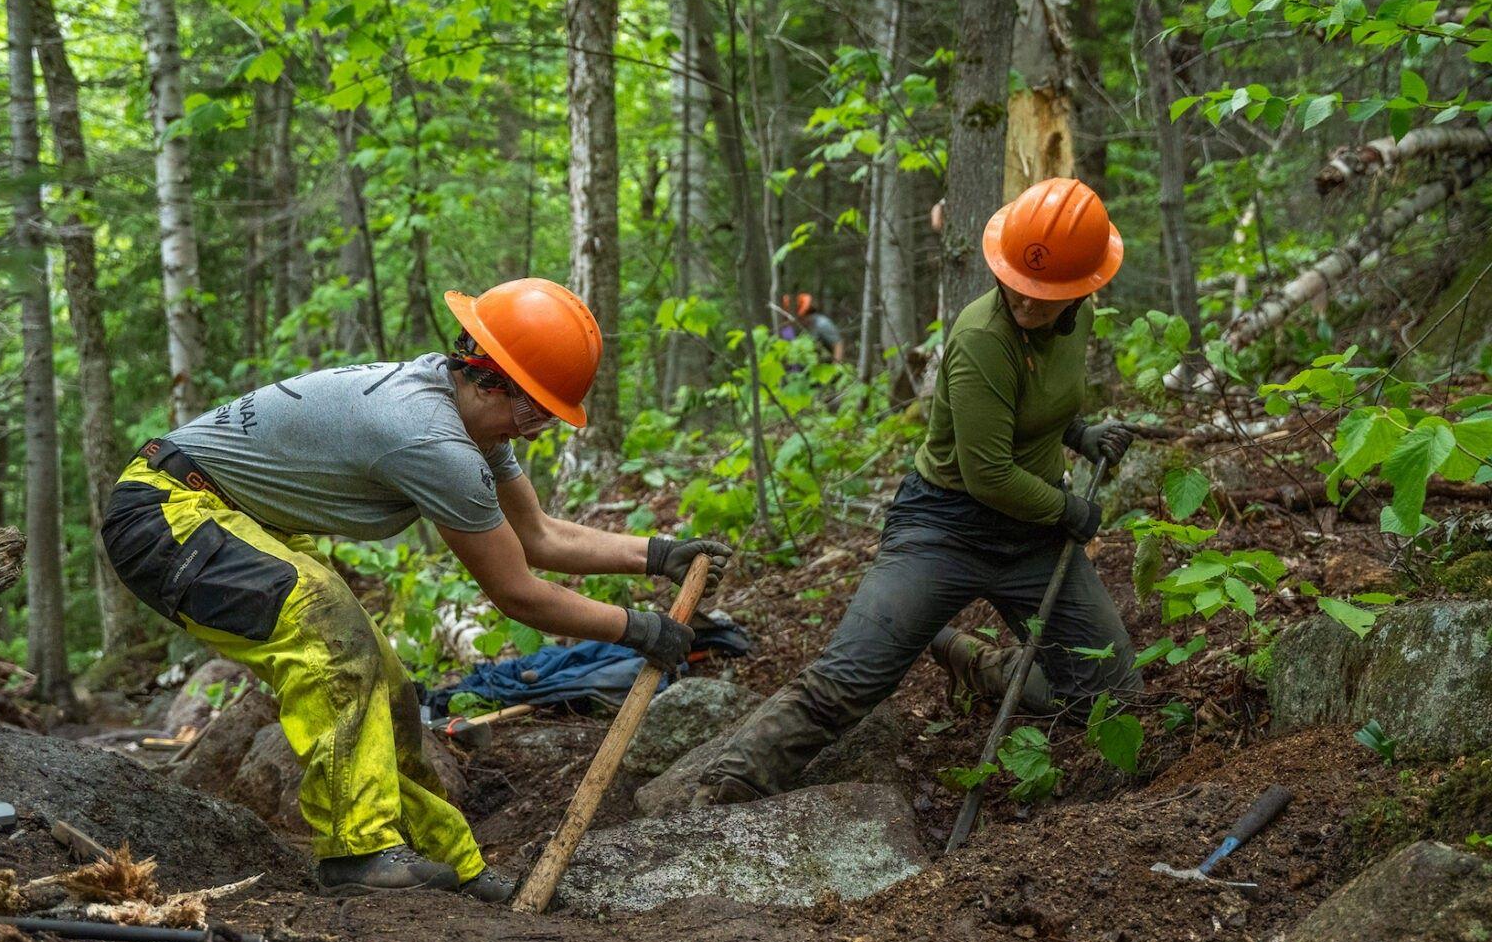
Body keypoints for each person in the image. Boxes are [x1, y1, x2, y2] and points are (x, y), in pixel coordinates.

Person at [101, 277, 731, 899]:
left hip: (236, 518)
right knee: (331, 637)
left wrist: (658, 555)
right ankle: (360, 852)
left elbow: (538, 536)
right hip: (164, 515)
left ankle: (440, 858)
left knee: (389, 684)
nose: (537, 430)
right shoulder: (431, 438)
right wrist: (639, 630)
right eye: (534, 409)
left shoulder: (470, 419)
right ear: (488, 377)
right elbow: (518, 593)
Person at [694, 178, 1142, 806]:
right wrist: (1071, 510)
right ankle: (721, 790)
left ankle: (983, 667)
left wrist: (1081, 433)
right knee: (850, 681)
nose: (1024, 304)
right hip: (947, 525)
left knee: (1110, 698)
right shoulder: (982, 337)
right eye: (1016, 285)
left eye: (1044, 297)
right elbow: (986, 473)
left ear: (1082, 288)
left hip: (1032, 527)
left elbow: (1038, 403)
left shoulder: (1077, 314)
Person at [778, 292, 845, 363]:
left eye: (802, 318)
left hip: (823, 364)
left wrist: (835, 366)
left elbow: (837, 344)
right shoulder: (789, 329)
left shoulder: (822, 324)